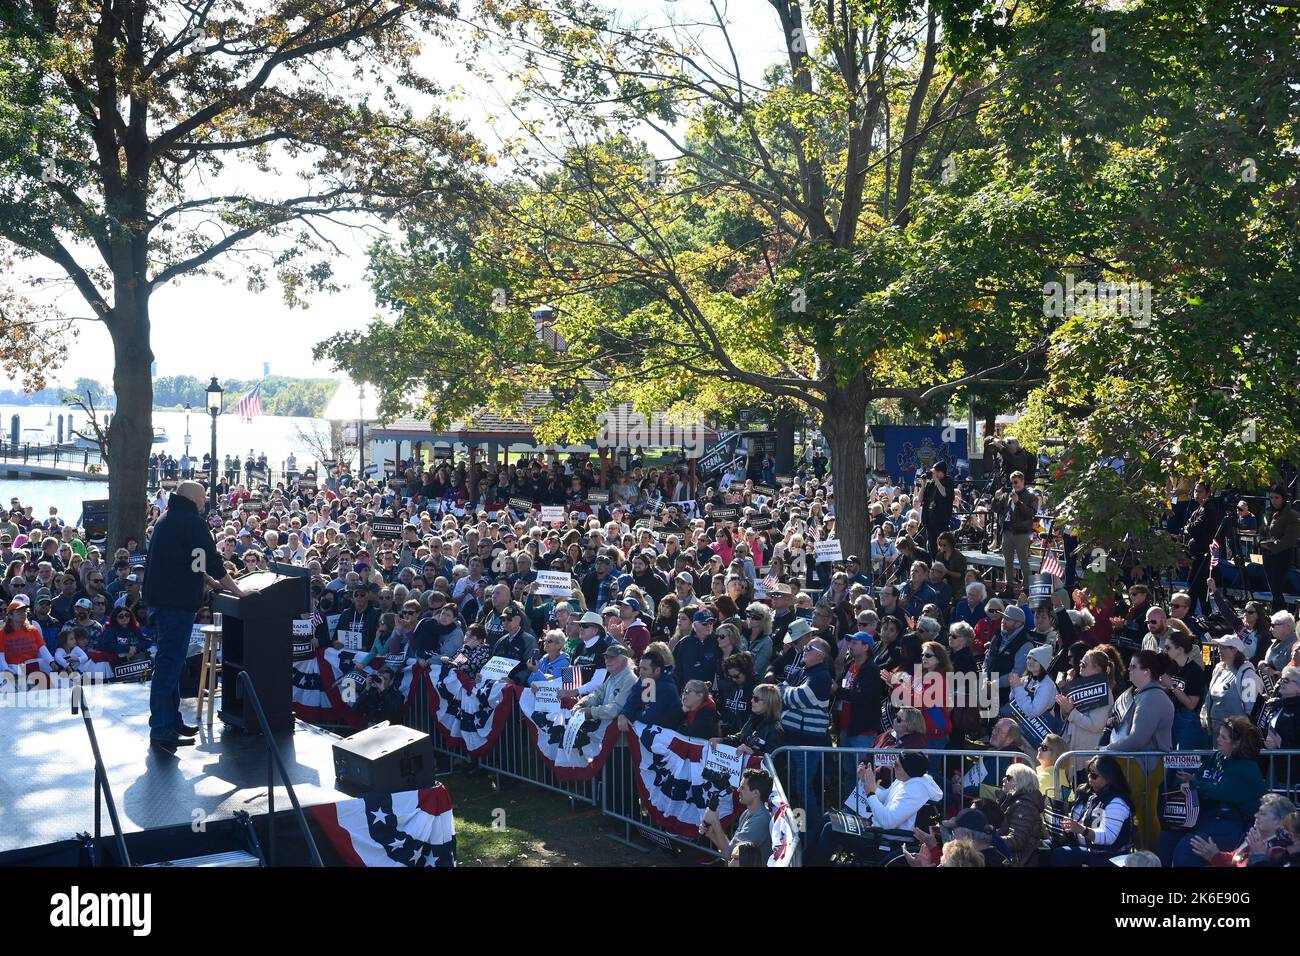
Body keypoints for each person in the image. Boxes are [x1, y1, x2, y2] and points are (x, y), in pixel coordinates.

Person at [143, 481, 245, 752]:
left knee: (173, 664)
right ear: (192, 498)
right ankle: (161, 728)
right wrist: (236, 590)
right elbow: (210, 560)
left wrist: (213, 584)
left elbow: (196, 564)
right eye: (203, 497)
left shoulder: (169, 518)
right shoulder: (191, 522)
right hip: (174, 605)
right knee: (168, 666)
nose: (205, 502)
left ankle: (171, 720)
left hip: (164, 602)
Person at [1163, 716, 1269, 867]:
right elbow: (1202, 777)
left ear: (1237, 743)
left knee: (1188, 847)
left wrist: (1196, 784)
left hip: (1234, 823)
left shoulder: (1247, 768)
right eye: (1219, 734)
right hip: (1206, 817)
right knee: (1168, 836)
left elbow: (1223, 792)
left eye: (1223, 737)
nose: (1218, 739)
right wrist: (1192, 779)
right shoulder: (1217, 757)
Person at [806, 751, 942, 866]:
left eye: (897, 766)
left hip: (889, 838)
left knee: (831, 828)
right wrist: (867, 781)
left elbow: (888, 821)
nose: (893, 767)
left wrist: (871, 792)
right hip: (878, 828)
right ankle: (804, 861)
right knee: (829, 817)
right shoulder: (904, 779)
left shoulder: (915, 790)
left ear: (909, 770)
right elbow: (883, 798)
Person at [1104, 649, 1174, 850]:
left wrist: (1108, 749)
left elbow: (1138, 738)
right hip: (1136, 763)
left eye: (1134, 667)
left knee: (1145, 815)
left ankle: (1148, 857)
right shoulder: (1142, 695)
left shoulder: (1152, 697)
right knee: (1139, 814)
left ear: (1147, 671)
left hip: (1145, 766)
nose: (1129, 670)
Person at [779, 636, 834, 821]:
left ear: (821, 656)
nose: (805, 649)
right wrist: (786, 692)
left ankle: (811, 830)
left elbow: (797, 698)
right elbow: (783, 690)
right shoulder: (802, 671)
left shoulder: (822, 677)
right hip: (792, 740)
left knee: (804, 787)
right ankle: (797, 829)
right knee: (792, 788)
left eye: (810, 648)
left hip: (808, 744)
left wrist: (786, 692)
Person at [1051, 755, 1135, 866]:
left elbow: (1108, 837)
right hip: (1090, 851)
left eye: (1094, 775)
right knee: (1048, 848)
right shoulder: (1095, 795)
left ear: (1109, 777)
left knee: (1060, 855)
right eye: (1089, 773)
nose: (1089, 778)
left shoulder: (1117, 803)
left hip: (1108, 858)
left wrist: (1081, 829)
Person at [1187, 793, 1296, 867]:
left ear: (1280, 822)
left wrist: (1216, 858)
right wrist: (1213, 853)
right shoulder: (1256, 839)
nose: (1255, 815)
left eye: (1262, 813)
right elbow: (1235, 858)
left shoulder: (1279, 850)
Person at [699, 768, 774, 860]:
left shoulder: (760, 821)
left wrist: (715, 822)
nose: (738, 790)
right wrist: (711, 834)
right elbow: (730, 849)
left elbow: (731, 855)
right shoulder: (747, 813)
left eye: (743, 788)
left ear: (755, 793)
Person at [1203, 635, 1265, 735]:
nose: (1219, 651)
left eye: (1223, 648)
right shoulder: (1218, 669)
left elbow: (1252, 710)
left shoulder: (1247, 675)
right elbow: (1209, 698)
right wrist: (1205, 717)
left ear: (1235, 650)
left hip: (1237, 736)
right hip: (1217, 733)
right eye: (1219, 647)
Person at [992, 470, 1038, 594]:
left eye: (1016, 482)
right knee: (1007, 560)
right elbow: (996, 509)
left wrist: (1018, 502)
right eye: (1012, 482)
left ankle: (1027, 588)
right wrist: (996, 498)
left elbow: (1031, 513)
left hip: (1021, 532)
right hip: (1007, 530)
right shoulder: (1007, 495)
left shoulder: (1031, 496)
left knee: (1023, 561)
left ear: (1022, 481)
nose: (1014, 485)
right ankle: (1009, 586)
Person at [1258, 484, 1299, 612]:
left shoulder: (1291, 514)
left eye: (1276, 497)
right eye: (1271, 498)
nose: (1273, 500)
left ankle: (1279, 616)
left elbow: (1290, 538)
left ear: (1283, 498)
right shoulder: (1268, 512)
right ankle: (1276, 616)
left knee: (1277, 588)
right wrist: (1260, 542)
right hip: (1268, 555)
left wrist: (1272, 547)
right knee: (1273, 589)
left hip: (1282, 555)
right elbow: (1262, 531)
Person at [714, 683, 784, 756]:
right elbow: (740, 738)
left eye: (756, 699)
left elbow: (775, 760)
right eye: (752, 697)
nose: (751, 701)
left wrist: (753, 752)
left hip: (755, 767)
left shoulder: (775, 729)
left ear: (769, 703)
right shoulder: (753, 719)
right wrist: (722, 740)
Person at [997, 763, 1045, 866]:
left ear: (1020, 781)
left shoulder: (1025, 806)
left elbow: (1016, 840)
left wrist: (989, 839)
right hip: (1009, 855)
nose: (1004, 780)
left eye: (1008, 777)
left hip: (1017, 859)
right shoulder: (1013, 800)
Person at [575, 643, 638, 720]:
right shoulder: (612, 676)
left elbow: (616, 709)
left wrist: (591, 711)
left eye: (612, 657)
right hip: (603, 726)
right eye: (606, 657)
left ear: (624, 660)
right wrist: (582, 703)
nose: (607, 661)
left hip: (615, 728)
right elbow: (597, 695)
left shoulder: (630, 680)